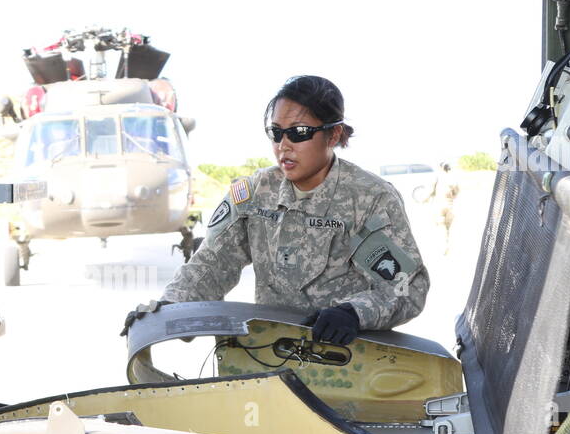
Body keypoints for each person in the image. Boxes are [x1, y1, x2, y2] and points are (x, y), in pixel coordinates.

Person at [122, 75, 428, 346]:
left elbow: (406, 286)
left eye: (299, 132)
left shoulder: (369, 198)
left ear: (333, 135)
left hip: (345, 362)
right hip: (267, 355)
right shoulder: (255, 193)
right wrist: (168, 309)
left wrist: (354, 313)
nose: (284, 145)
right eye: (276, 132)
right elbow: (212, 264)